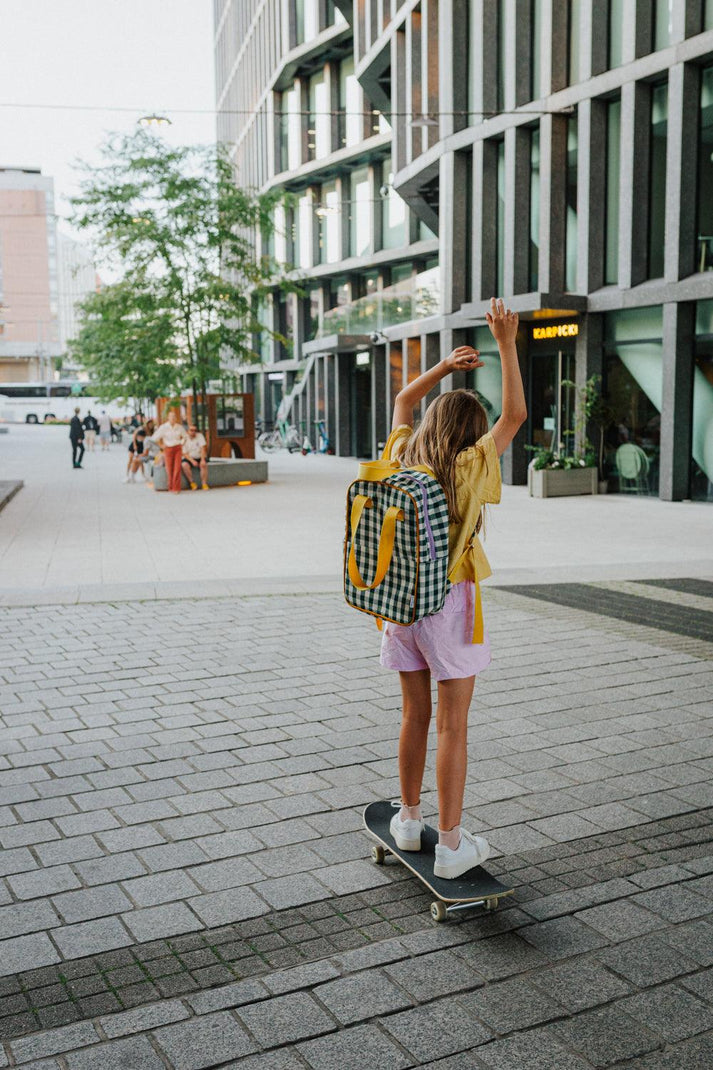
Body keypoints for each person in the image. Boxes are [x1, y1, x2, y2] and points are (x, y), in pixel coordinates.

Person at [381, 297, 526, 880]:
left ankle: (410, 821)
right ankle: (450, 847)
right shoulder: (470, 467)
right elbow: (513, 415)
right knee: (453, 725)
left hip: (399, 604)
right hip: (450, 605)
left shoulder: (400, 454)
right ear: (470, 432)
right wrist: (506, 343)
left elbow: (402, 400)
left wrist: (444, 369)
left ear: (432, 423)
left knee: (414, 715)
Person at [153, 408, 188, 493]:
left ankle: (176, 488)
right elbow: (154, 438)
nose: (173, 418)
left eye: (174, 417)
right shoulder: (164, 427)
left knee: (177, 468)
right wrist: (161, 445)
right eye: (171, 417)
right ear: (168, 418)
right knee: (169, 468)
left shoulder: (179, 427)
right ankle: (170, 486)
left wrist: (181, 443)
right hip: (168, 448)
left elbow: (185, 437)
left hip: (177, 448)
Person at [181, 424, 209, 490]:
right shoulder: (184, 439)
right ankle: (192, 482)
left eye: (195, 430)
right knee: (184, 465)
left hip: (199, 456)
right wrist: (192, 461)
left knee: (204, 465)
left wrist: (202, 459)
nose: (193, 432)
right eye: (191, 430)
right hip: (189, 457)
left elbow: (203, 448)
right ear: (187, 431)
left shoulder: (200, 436)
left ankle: (204, 484)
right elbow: (184, 453)